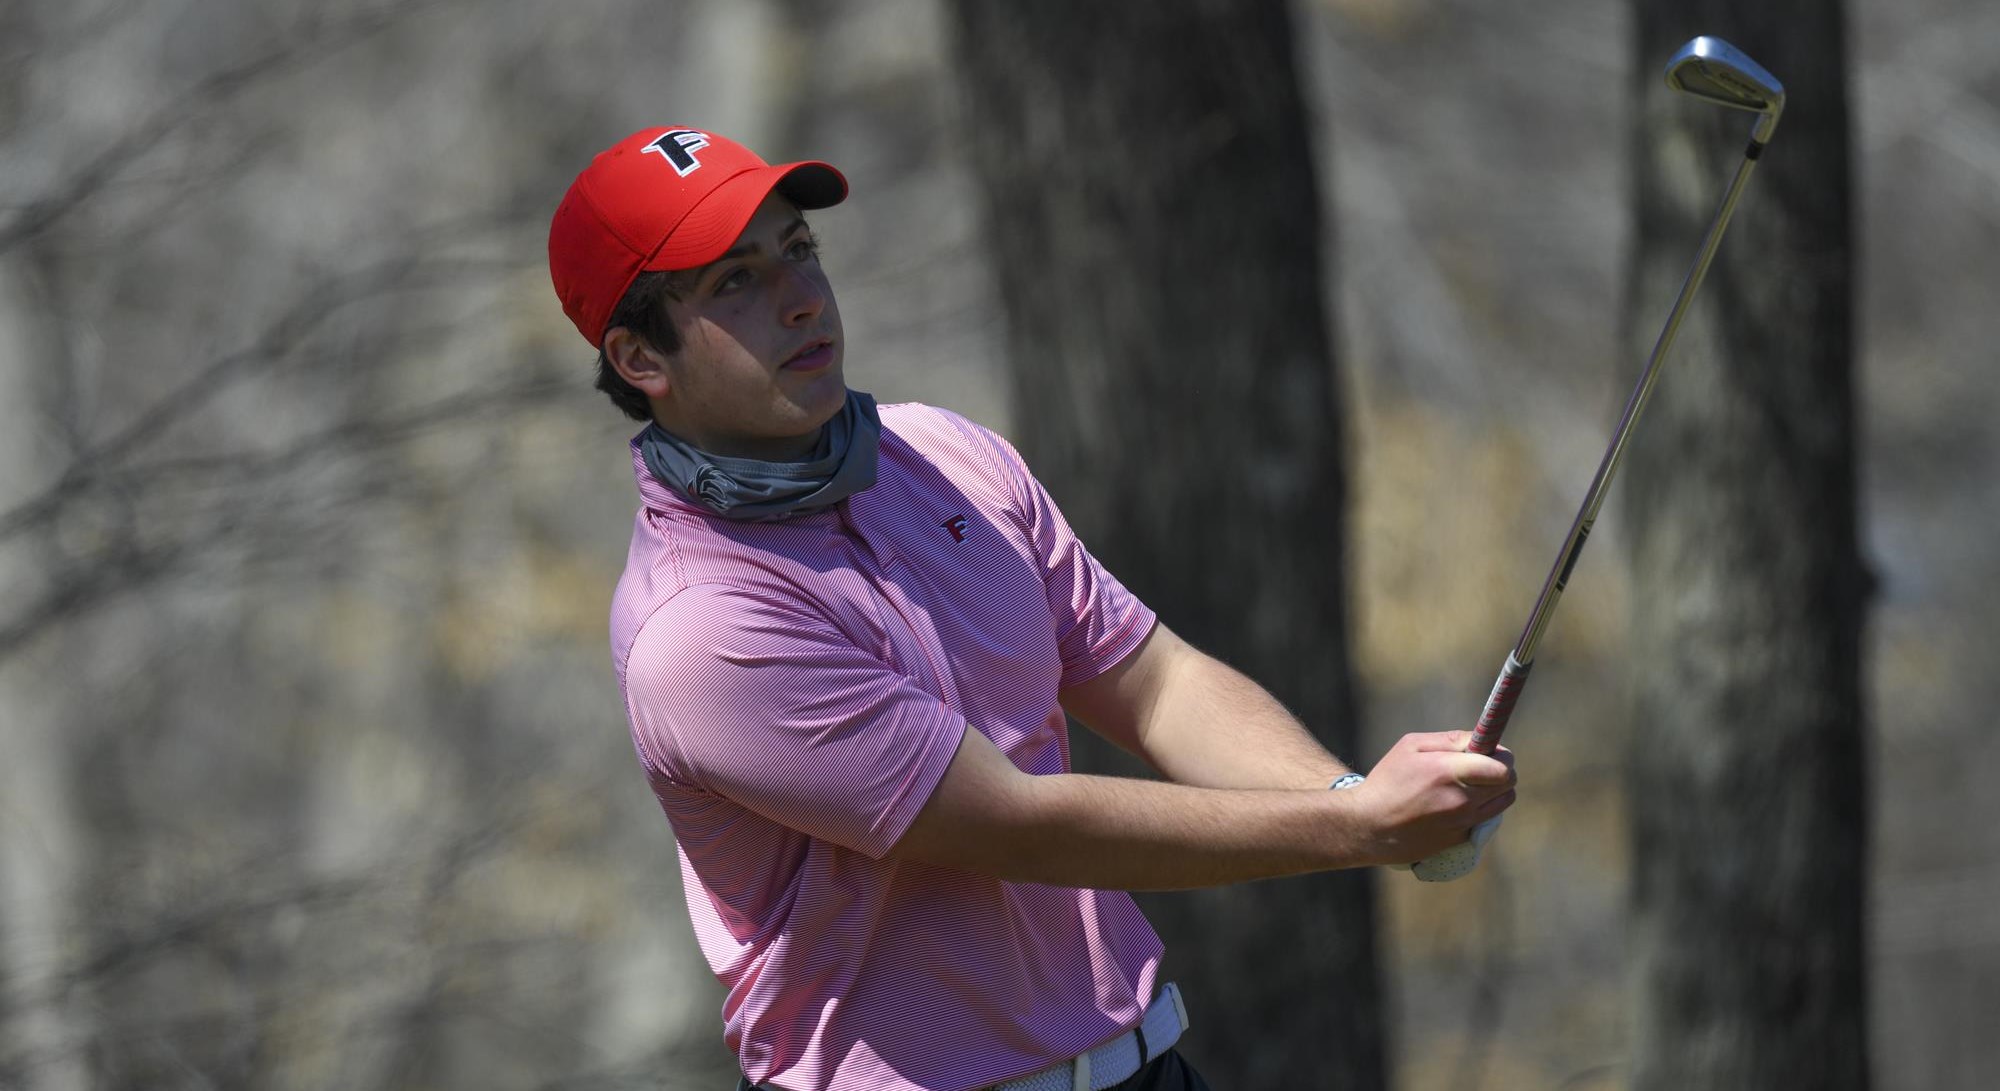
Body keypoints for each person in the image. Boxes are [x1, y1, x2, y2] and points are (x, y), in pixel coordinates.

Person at [547, 126, 1517, 1091]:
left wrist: (1349, 796)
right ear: (640, 360)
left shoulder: (940, 454)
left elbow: (1153, 680)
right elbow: (1018, 823)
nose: (801, 297)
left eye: (798, 250)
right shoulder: (701, 629)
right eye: (733, 283)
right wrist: (1358, 832)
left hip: (1144, 1064)